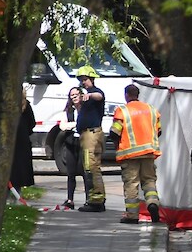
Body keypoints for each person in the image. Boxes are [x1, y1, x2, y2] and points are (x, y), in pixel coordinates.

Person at [110, 84, 162, 225]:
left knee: (132, 184)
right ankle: (153, 203)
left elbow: (115, 132)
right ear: (138, 94)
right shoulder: (151, 109)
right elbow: (159, 131)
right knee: (149, 181)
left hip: (130, 155)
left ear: (126, 95)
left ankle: (132, 216)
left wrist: (117, 148)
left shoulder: (123, 111)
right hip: (149, 153)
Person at [75, 65, 106, 212]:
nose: (83, 82)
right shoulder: (84, 96)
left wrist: (89, 95)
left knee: (91, 167)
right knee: (88, 167)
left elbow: (99, 96)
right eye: (81, 80)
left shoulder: (95, 93)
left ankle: (97, 201)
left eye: (85, 79)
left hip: (92, 135)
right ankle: (92, 198)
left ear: (92, 79)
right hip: (85, 135)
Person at [60, 87, 91, 209]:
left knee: (85, 172)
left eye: (76, 94)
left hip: (84, 142)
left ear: (81, 95)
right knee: (71, 173)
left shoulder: (86, 109)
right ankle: (70, 199)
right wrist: (75, 124)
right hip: (71, 143)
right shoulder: (68, 111)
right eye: (72, 95)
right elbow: (63, 126)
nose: (74, 97)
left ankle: (89, 199)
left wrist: (73, 125)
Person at [9, 92, 35, 190]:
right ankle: (16, 193)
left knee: (12, 170)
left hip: (11, 141)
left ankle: (10, 194)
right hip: (23, 141)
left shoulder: (9, 105)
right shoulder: (26, 106)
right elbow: (32, 122)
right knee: (20, 171)